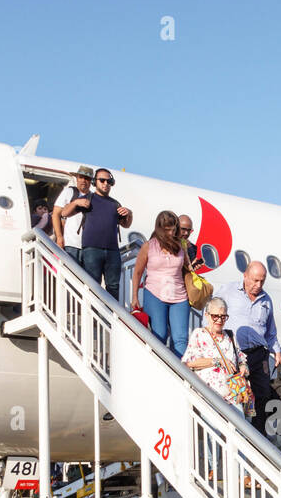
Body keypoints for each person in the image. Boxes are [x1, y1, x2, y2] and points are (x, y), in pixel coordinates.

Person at [219, 261, 281, 435]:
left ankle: (258, 437)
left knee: (262, 394)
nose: (258, 285)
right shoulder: (228, 291)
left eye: (262, 281)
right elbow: (211, 312)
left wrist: (277, 351)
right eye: (255, 280)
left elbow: (270, 331)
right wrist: (211, 337)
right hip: (234, 352)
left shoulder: (266, 300)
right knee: (235, 394)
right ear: (245, 276)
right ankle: (234, 434)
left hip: (258, 353)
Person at [131, 210, 191, 357]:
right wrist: (135, 297)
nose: (171, 233)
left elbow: (188, 269)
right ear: (160, 228)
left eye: (173, 229)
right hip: (155, 294)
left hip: (179, 297)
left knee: (181, 339)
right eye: (167, 229)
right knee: (160, 335)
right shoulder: (149, 246)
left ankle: (180, 376)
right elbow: (137, 272)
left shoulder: (181, 246)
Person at [181, 297, 252, 417]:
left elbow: (241, 359)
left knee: (239, 432)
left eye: (223, 316)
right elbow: (188, 363)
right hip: (210, 397)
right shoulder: (199, 334)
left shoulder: (230, 336)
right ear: (207, 315)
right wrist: (216, 361)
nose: (220, 320)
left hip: (233, 397)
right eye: (215, 316)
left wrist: (244, 366)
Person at [77, 168, 132, 302]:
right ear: (95, 182)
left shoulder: (115, 203)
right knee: (92, 284)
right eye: (102, 180)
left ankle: (110, 319)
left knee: (113, 287)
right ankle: (92, 316)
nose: (105, 183)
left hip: (112, 250)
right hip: (92, 249)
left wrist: (129, 213)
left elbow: (126, 225)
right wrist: (75, 203)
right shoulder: (87, 198)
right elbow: (64, 213)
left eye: (109, 181)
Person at [52, 166, 92, 263]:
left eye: (86, 178)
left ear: (91, 181)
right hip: (70, 244)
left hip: (89, 246)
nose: (83, 180)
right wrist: (59, 237)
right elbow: (56, 214)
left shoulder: (94, 197)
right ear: (77, 178)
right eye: (81, 177)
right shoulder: (69, 192)